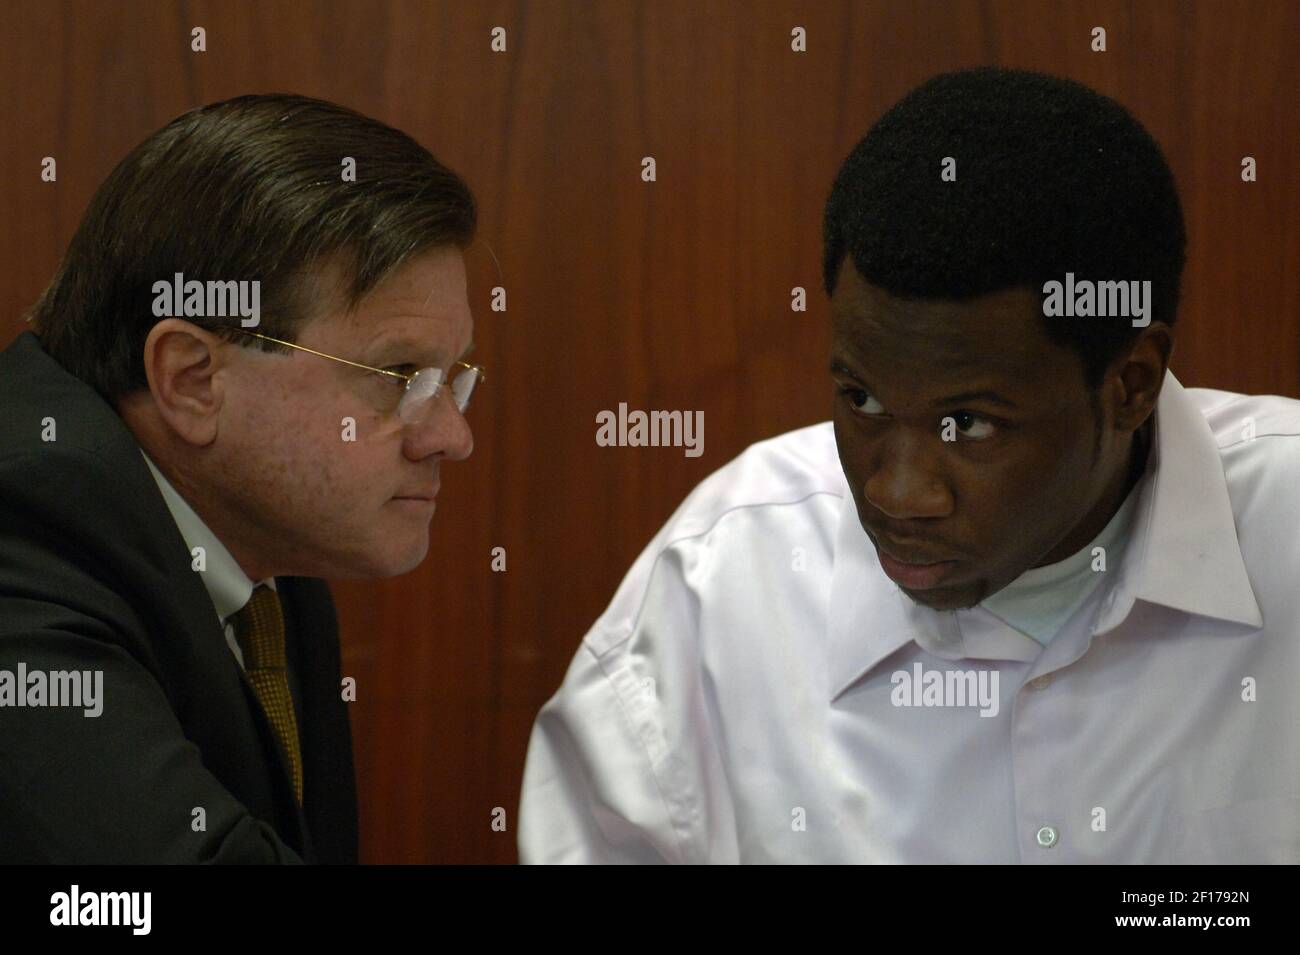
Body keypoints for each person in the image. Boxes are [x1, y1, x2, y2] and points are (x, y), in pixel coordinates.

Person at [517, 67, 1300, 863]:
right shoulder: (719, 591)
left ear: (1129, 384)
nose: (897, 492)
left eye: (969, 423)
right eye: (861, 400)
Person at [0, 94, 482, 862]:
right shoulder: (23, 528)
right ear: (192, 379)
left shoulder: (268, 547)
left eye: (450, 379)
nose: (451, 437)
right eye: (397, 374)